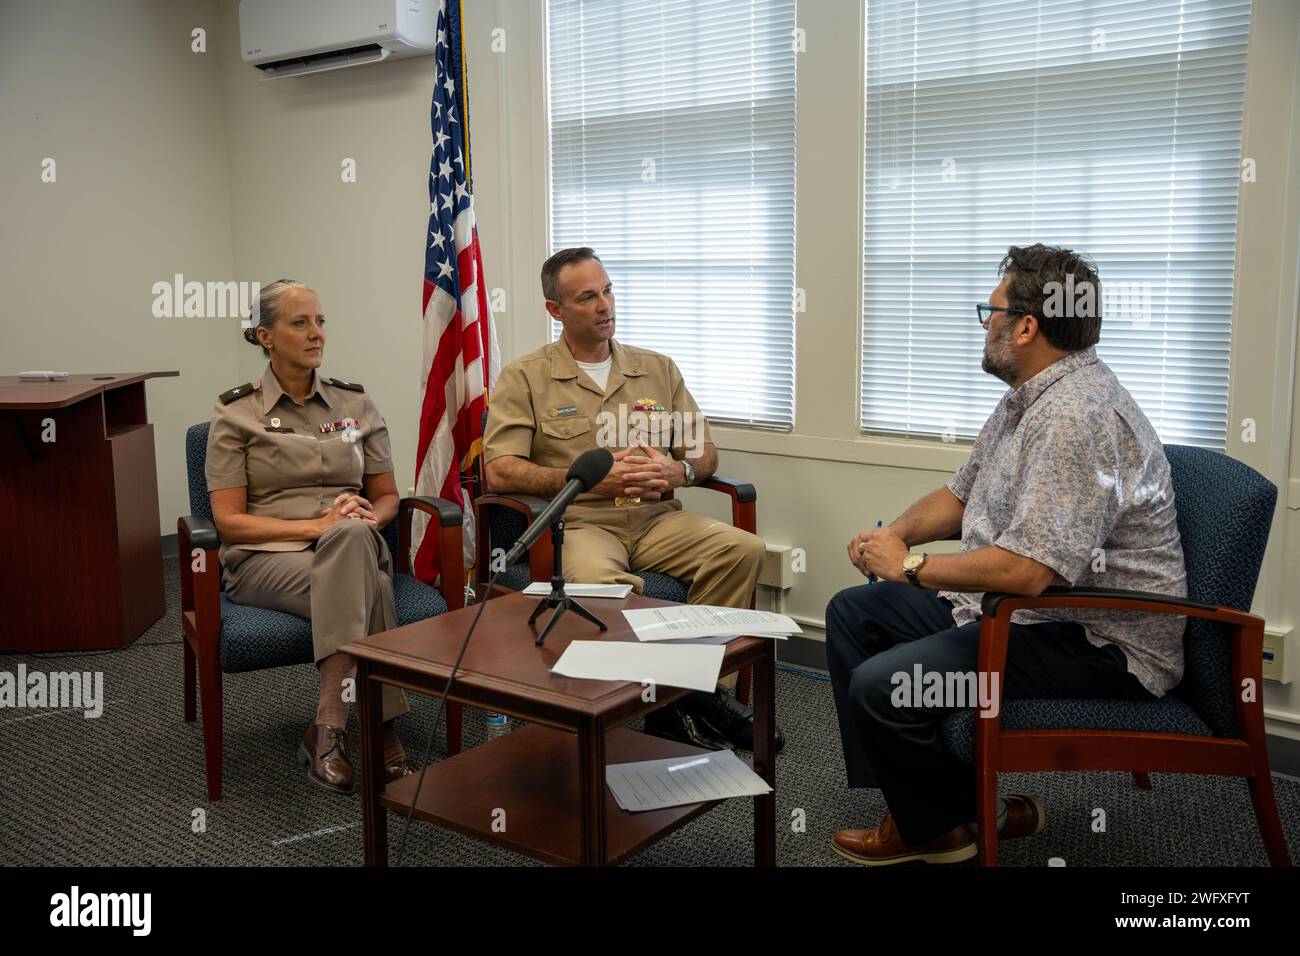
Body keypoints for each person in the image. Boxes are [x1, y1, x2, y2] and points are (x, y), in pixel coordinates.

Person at [826, 244, 1187, 865]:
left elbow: (1027, 572)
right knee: (854, 614)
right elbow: (962, 493)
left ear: (1025, 326)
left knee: (883, 687)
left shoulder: (1078, 416)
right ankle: (951, 810)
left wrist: (910, 568)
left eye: (989, 311)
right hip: (1027, 612)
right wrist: (897, 540)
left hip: (1095, 642)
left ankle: (938, 824)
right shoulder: (1031, 396)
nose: (984, 324)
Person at [484, 247, 784, 752]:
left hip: (656, 518)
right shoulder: (525, 376)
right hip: (582, 523)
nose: (605, 305)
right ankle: (692, 704)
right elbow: (500, 468)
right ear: (555, 310)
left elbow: (704, 451)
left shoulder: (656, 369)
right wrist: (580, 480)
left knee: (742, 549)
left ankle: (697, 699)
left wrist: (681, 469)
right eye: (587, 297)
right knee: (603, 587)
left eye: (608, 291)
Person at [205, 279, 417, 794]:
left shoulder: (356, 403)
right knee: (371, 585)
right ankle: (383, 733)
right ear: (264, 336)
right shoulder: (236, 413)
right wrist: (316, 527)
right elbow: (229, 521)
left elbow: (389, 495)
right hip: (266, 558)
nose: (316, 333)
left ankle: (328, 730)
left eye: (320, 321)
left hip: (353, 544)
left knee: (350, 543)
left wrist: (369, 517)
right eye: (300, 323)